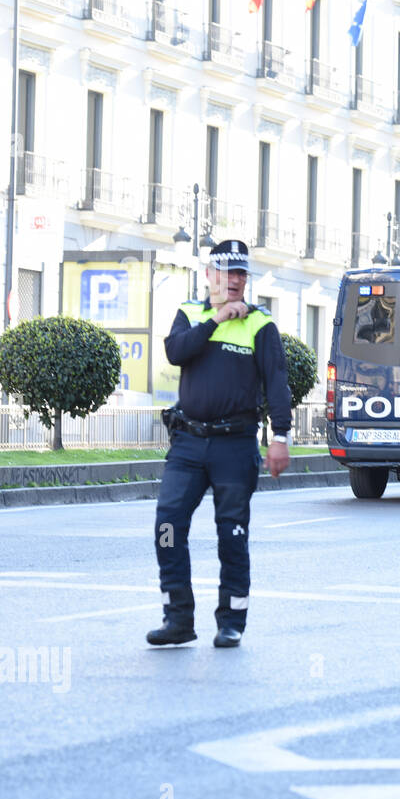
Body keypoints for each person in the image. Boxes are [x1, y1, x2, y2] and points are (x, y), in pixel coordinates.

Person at [148, 240, 292, 648]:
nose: (234, 280)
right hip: (188, 444)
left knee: (232, 535)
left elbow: (277, 384)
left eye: (241, 274)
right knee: (167, 527)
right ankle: (177, 618)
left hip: (235, 445)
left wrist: (279, 438)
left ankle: (231, 621)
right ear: (209, 275)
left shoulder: (259, 324)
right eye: (227, 272)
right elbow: (176, 352)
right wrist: (216, 320)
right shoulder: (190, 314)